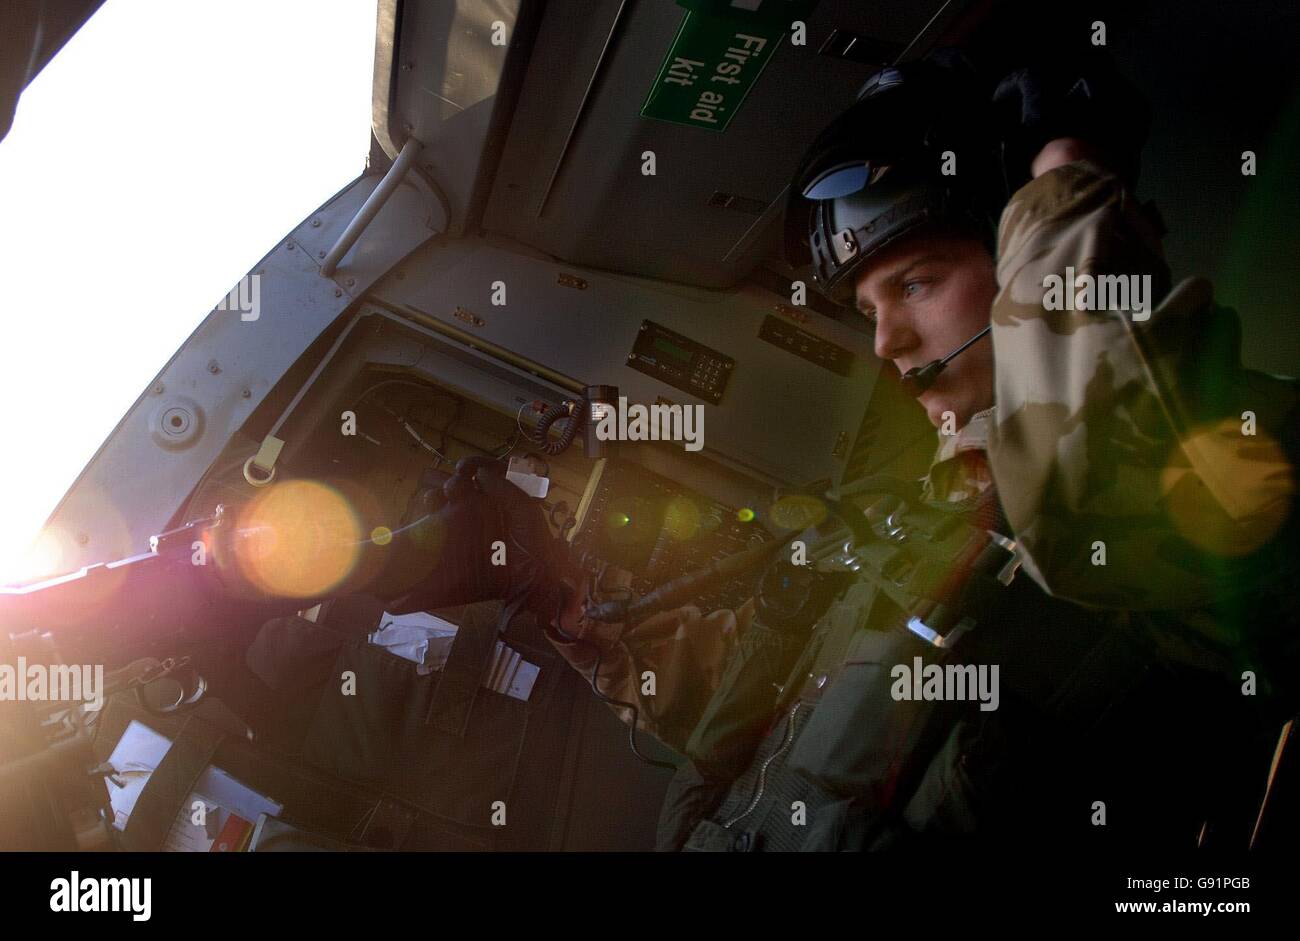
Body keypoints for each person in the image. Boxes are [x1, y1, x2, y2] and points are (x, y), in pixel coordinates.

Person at [391, 53, 1300, 851]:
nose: (886, 343)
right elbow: (770, 738)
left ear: (1029, 253)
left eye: (918, 283)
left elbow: (1079, 489)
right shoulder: (928, 508)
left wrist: (1060, 176)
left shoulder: (1224, 449)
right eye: (868, 309)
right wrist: (566, 612)